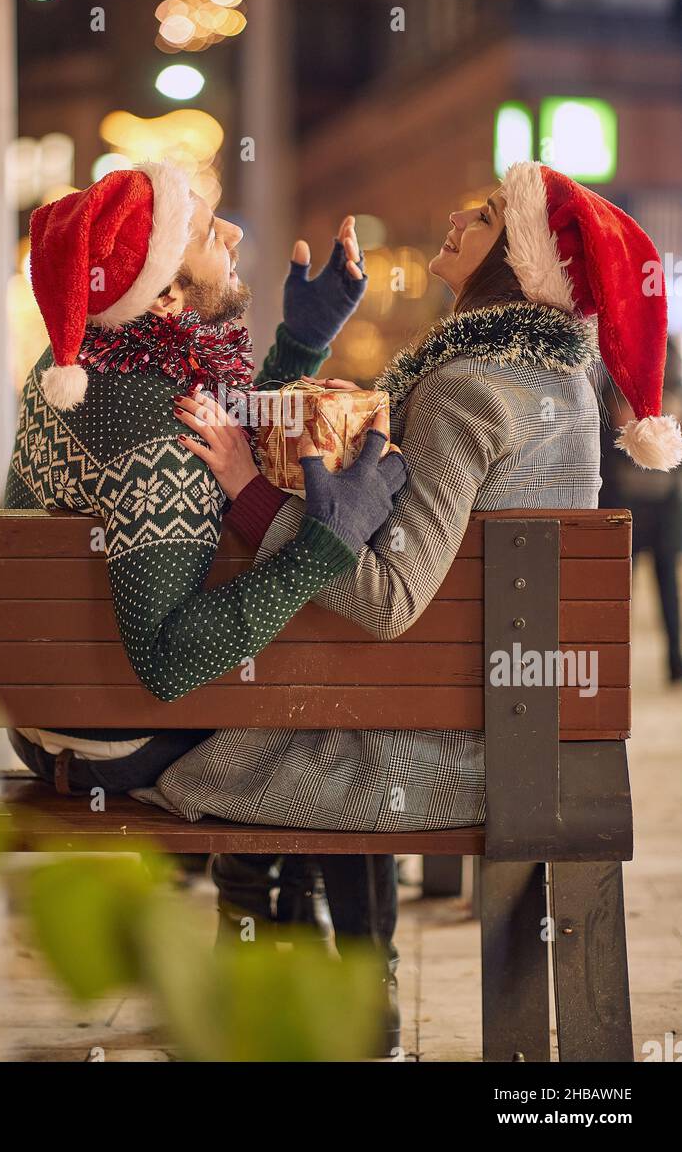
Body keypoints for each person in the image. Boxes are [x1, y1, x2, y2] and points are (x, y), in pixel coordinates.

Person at [135, 162, 682, 1026]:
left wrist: (249, 488)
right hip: (523, 733)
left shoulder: (463, 390)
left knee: (230, 730)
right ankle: (332, 978)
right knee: (309, 694)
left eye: (493, 216)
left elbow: (390, 599)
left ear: (524, 260)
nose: (462, 213)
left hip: (438, 755)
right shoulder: (563, 386)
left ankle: (275, 979)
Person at [2, 162, 406, 1032]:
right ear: (165, 299)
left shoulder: (76, 365)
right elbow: (167, 662)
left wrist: (300, 350)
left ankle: (267, 939)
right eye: (207, 233)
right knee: (343, 703)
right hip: (109, 738)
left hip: (41, 712)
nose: (234, 239)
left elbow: (211, 423)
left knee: (300, 690)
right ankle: (314, 976)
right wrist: (320, 554)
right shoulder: (164, 435)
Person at [599, 339, 682, 683]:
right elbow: (608, 437)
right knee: (621, 595)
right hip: (625, 507)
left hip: (663, 504)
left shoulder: (671, 381)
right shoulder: (614, 382)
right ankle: (612, 665)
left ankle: (675, 662)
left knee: (666, 587)